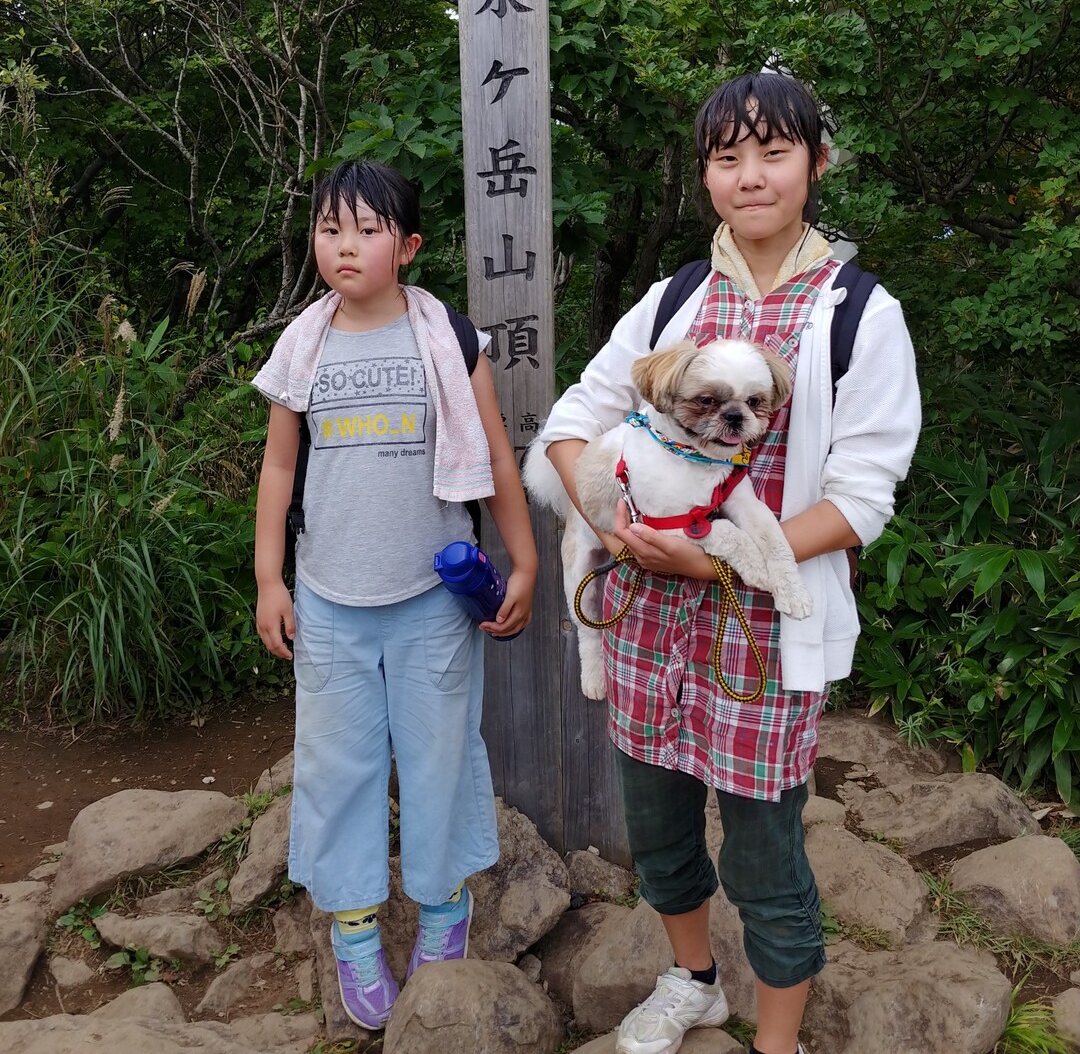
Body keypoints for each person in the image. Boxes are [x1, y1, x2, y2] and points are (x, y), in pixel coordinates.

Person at [540, 72, 920, 1054]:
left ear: (816, 163)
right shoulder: (673, 302)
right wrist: (612, 516)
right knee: (660, 837)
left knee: (765, 856)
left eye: (774, 152)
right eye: (727, 156)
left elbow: (862, 495)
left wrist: (718, 558)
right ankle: (695, 980)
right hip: (643, 629)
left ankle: (778, 1042)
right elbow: (575, 423)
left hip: (762, 635)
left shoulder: (858, 314)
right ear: (706, 173)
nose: (750, 176)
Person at [252, 160, 538, 1031]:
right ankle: (352, 925)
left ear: (407, 247)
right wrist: (269, 578)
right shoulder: (304, 346)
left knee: (438, 755)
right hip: (331, 598)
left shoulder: (448, 339)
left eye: (367, 230)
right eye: (331, 228)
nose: (345, 246)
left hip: (430, 598)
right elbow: (276, 465)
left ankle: (445, 912)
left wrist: (523, 564)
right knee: (339, 769)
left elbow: (493, 456)